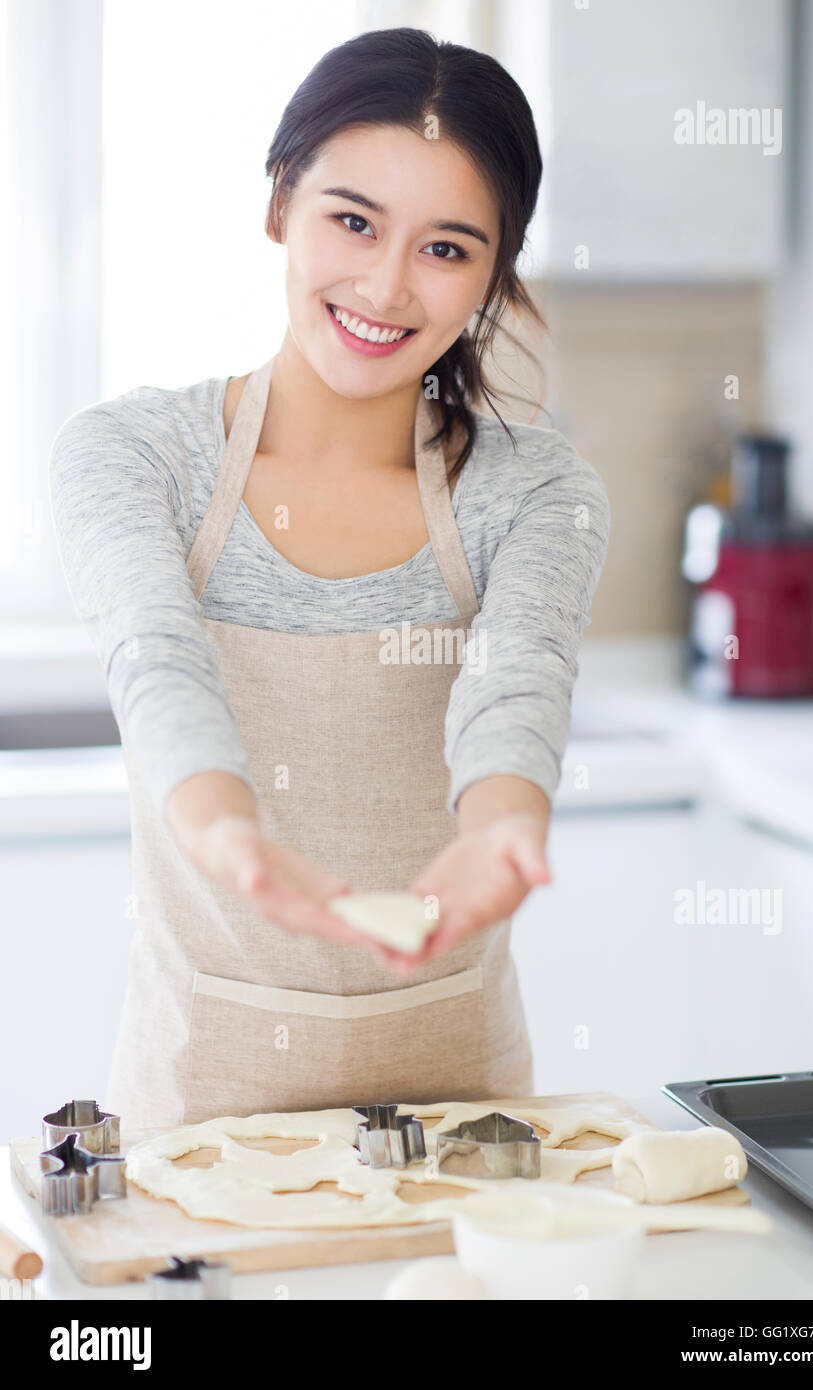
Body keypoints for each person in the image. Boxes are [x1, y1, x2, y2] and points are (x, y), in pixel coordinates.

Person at [49, 27, 610, 1128]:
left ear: (493, 271)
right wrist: (227, 831)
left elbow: (517, 680)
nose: (385, 286)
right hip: (201, 1097)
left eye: (446, 248)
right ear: (279, 209)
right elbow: (155, 660)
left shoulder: (536, 487)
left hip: (459, 1108)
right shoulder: (133, 455)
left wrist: (502, 822)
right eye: (352, 221)